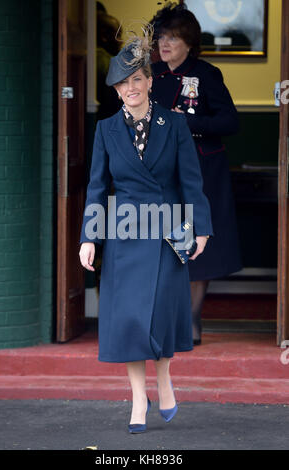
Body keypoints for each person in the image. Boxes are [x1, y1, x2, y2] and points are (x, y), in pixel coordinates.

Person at [79, 29, 213, 433]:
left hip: (169, 231)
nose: (130, 88)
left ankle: (165, 379)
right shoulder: (106, 130)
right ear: (117, 89)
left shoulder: (174, 124)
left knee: (159, 316)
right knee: (129, 320)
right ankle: (139, 398)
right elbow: (97, 187)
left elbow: (192, 181)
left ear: (150, 81)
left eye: (137, 78)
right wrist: (89, 236)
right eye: (123, 82)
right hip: (124, 234)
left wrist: (201, 227)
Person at [150, 2, 242, 345]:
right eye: (162, 36)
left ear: (189, 42)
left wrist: (190, 122)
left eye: (173, 37)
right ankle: (167, 319)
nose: (165, 44)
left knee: (199, 246)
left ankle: (191, 319)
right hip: (161, 173)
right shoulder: (151, 75)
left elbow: (230, 122)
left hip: (203, 172)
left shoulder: (206, 74)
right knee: (163, 244)